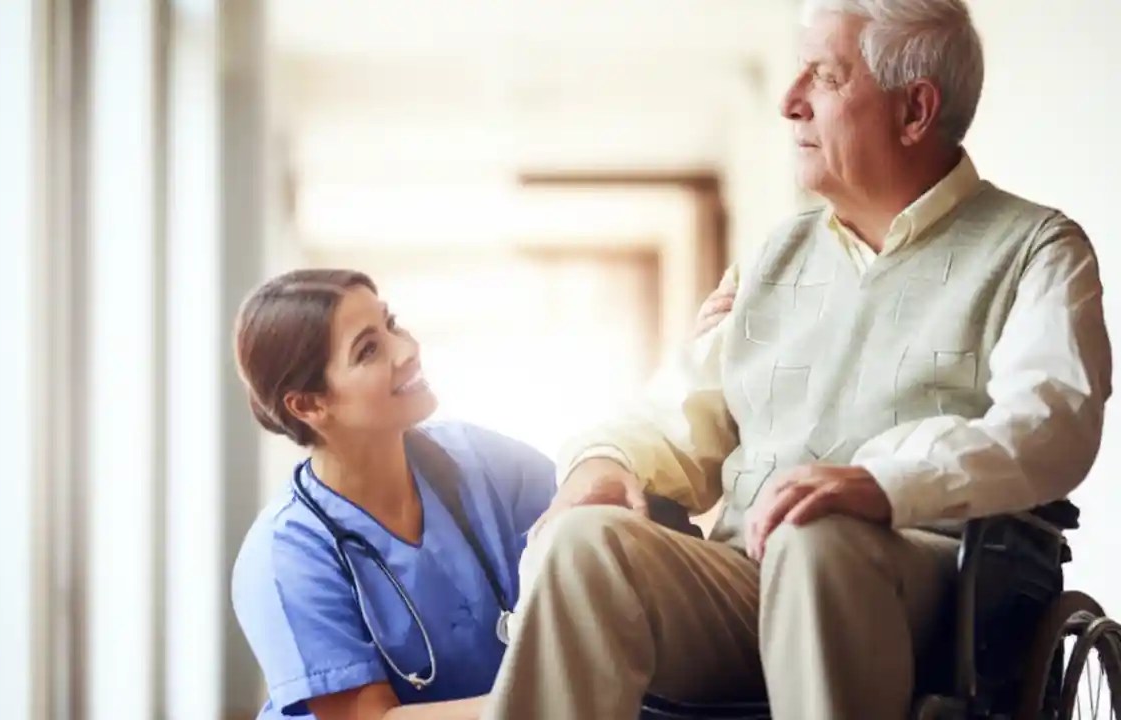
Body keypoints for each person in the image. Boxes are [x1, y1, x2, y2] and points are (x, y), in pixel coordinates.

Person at [489, 1, 1113, 718]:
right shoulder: (775, 258)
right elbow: (675, 416)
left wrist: (881, 484)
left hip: (927, 585)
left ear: (915, 110)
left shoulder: (1036, 248)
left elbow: (1050, 424)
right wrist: (604, 462)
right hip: (750, 578)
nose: (790, 103)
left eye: (824, 76)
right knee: (581, 544)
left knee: (815, 538)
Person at [230, 269, 555, 720]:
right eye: (368, 350)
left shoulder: (481, 463)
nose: (407, 349)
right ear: (308, 404)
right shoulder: (283, 558)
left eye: (392, 324)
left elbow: (591, 538)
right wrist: (554, 706)